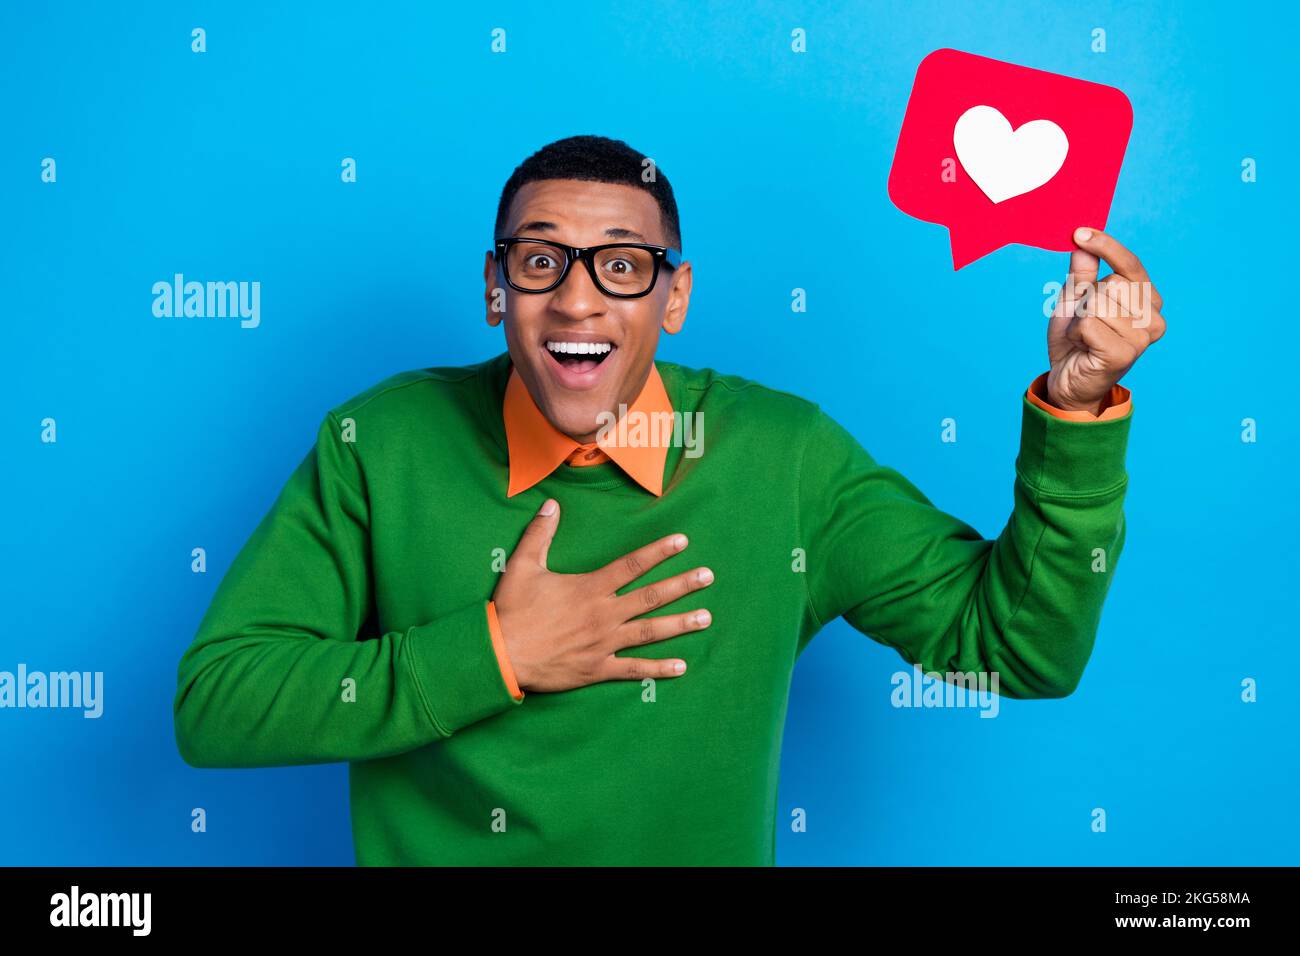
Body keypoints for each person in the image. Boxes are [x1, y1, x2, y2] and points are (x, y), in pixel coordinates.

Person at [173, 134, 1165, 865]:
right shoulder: (379, 443)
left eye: (621, 265)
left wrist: (1076, 416)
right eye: (538, 260)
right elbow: (215, 704)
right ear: (494, 288)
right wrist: (499, 651)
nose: (575, 298)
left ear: (673, 298)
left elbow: (1022, 651)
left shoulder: (784, 457)